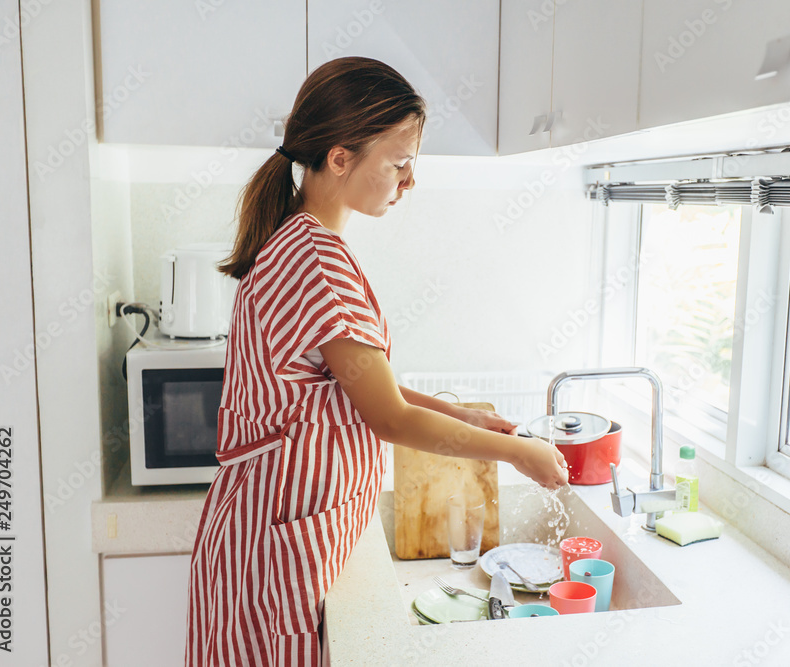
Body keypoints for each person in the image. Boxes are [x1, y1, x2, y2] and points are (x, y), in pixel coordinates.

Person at [185, 56, 569, 667]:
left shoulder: (301, 240)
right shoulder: (315, 260)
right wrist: (520, 453)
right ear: (341, 157)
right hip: (275, 556)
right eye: (399, 162)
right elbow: (388, 418)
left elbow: (352, 387)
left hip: (279, 535)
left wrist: (455, 412)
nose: (408, 180)